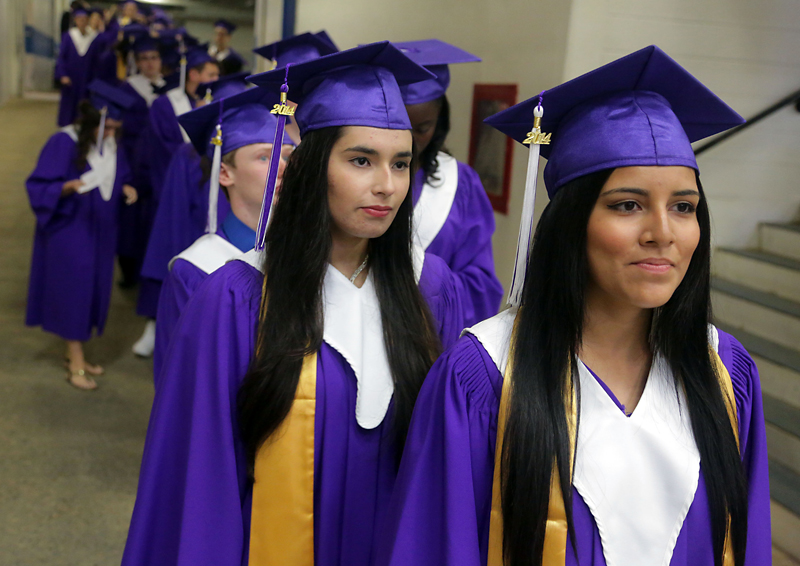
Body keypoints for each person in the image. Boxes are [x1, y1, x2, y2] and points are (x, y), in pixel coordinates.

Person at [378, 45, 771, 566]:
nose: (663, 233)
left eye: (684, 206)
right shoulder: (483, 379)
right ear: (571, 222)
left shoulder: (724, 372)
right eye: (627, 205)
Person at [121, 42, 463, 566]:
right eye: (361, 160)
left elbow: (449, 473)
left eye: (400, 163)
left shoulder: (432, 290)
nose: (386, 185)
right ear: (309, 167)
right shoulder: (235, 299)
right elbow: (203, 481)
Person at [152, 86, 295, 383]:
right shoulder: (195, 270)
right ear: (225, 173)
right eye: (265, 157)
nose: (283, 168)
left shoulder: (310, 253)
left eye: (288, 156)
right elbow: (182, 383)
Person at [26, 80, 139, 391]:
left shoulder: (110, 145)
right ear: (92, 121)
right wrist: (66, 187)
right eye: (108, 127)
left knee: (93, 291)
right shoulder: (63, 142)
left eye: (116, 129)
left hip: (102, 231)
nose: (112, 134)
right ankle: (75, 361)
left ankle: (74, 352)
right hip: (71, 230)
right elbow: (37, 186)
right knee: (74, 293)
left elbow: (119, 173)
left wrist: (126, 186)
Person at [136, 73, 251, 360]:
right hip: (193, 234)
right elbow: (173, 212)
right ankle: (156, 324)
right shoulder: (187, 156)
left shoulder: (258, 162)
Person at [393, 39, 503, 326]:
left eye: (422, 128)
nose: (410, 141)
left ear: (439, 120)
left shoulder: (460, 183)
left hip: (429, 335)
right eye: (401, 126)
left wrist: (423, 284)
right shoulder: (363, 177)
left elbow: (480, 287)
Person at [131, 45, 220, 355]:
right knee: (166, 251)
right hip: (176, 188)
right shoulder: (166, 105)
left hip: (210, 194)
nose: (215, 79)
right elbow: (159, 150)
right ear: (193, 74)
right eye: (211, 74)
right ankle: (154, 325)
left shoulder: (218, 106)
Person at [117, 34, 165, 286]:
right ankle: (129, 271)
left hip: (160, 161)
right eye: (144, 58)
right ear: (137, 62)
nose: (150, 63)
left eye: (154, 57)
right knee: (131, 218)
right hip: (133, 159)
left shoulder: (171, 89)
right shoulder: (126, 89)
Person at [55, 6, 98, 126]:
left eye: (84, 19)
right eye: (79, 19)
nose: (82, 22)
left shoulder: (94, 37)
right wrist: (62, 74)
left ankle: (83, 127)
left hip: (87, 78)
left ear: (88, 20)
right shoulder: (69, 36)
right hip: (71, 78)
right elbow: (61, 57)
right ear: (75, 20)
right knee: (69, 104)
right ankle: (67, 127)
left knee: (84, 103)